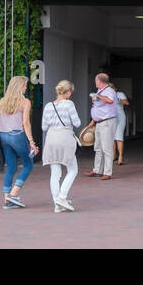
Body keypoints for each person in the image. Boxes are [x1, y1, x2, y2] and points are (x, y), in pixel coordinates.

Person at [0, 75, 37, 209]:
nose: (26, 88)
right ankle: (13, 195)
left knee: (11, 168)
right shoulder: (25, 102)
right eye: (25, 86)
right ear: (20, 87)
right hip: (17, 135)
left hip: (3, 136)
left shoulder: (2, 101)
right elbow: (26, 123)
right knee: (28, 165)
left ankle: (6, 200)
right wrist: (31, 141)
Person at [41, 79, 81, 213]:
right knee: (73, 169)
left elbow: (44, 126)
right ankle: (62, 197)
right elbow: (77, 123)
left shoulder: (48, 106)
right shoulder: (69, 104)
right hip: (65, 138)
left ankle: (56, 203)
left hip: (51, 138)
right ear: (68, 92)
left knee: (55, 173)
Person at [85, 73, 117, 179]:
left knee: (106, 148)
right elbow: (99, 107)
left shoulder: (109, 91)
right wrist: (93, 120)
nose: (95, 82)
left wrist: (97, 96)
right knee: (98, 147)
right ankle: (97, 170)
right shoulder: (100, 91)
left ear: (100, 81)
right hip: (99, 122)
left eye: (96, 80)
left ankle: (107, 172)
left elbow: (110, 100)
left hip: (107, 122)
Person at [112, 86, 130, 166]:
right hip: (110, 117)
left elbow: (126, 102)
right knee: (112, 137)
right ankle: (114, 155)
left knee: (118, 137)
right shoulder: (106, 95)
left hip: (120, 116)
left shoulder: (119, 94)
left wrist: (118, 100)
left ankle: (120, 157)